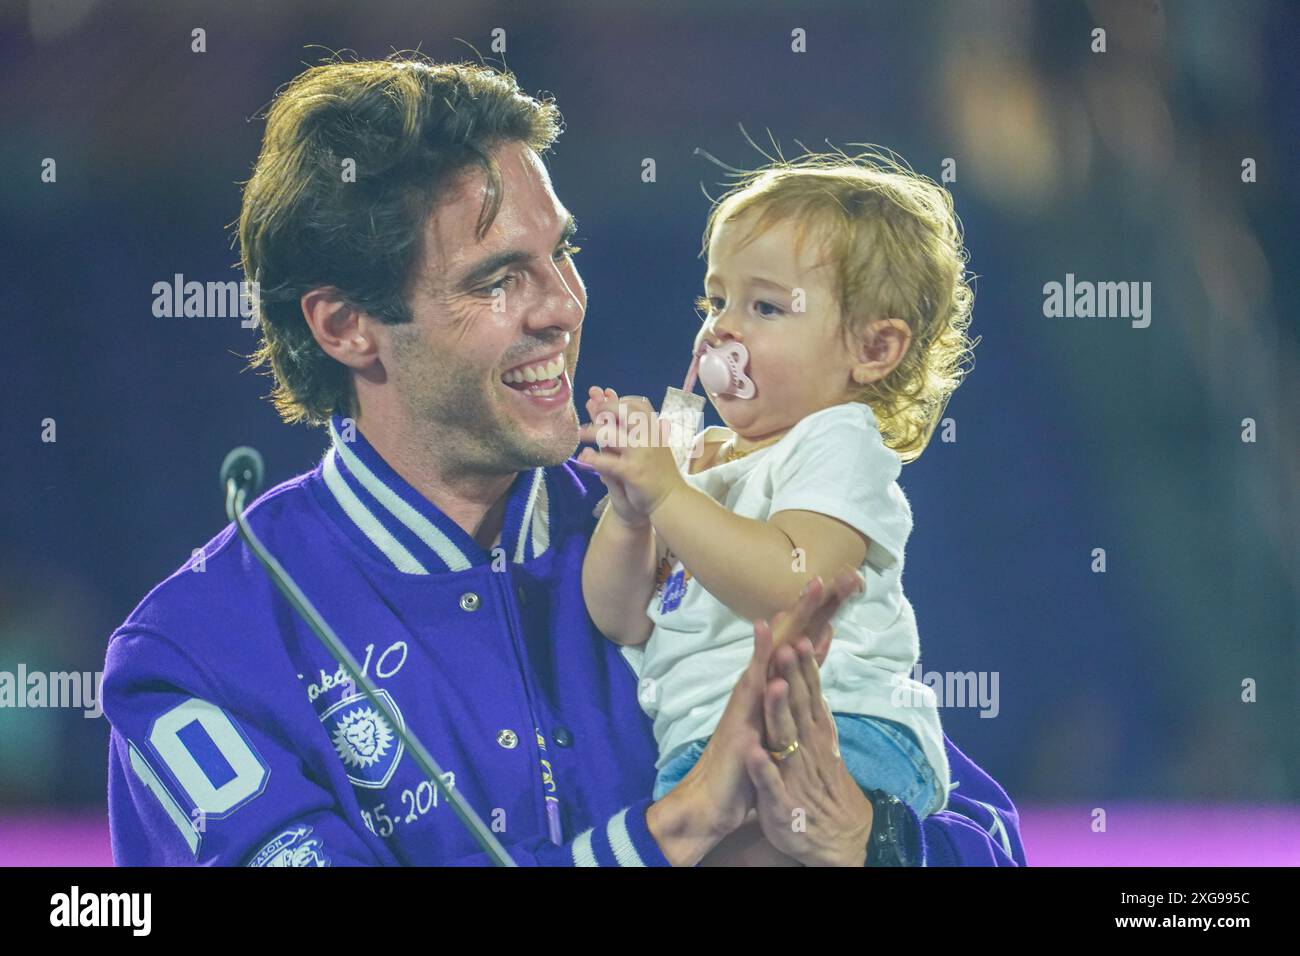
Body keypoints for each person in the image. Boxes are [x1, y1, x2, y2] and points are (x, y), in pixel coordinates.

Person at [101, 55, 1025, 867]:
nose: (563, 305)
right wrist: (672, 833)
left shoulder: (687, 516)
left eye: (562, 252)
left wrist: (872, 846)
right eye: (498, 278)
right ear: (346, 326)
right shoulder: (200, 653)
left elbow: (987, 835)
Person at [578, 152, 975, 864]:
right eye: (715, 301)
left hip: (838, 735)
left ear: (873, 348)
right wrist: (633, 508)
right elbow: (621, 615)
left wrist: (669, 494)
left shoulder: (836, 443)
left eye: (763, 307)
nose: (722, 329)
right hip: (701, 756)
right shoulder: (698, 460)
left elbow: (794, 585)